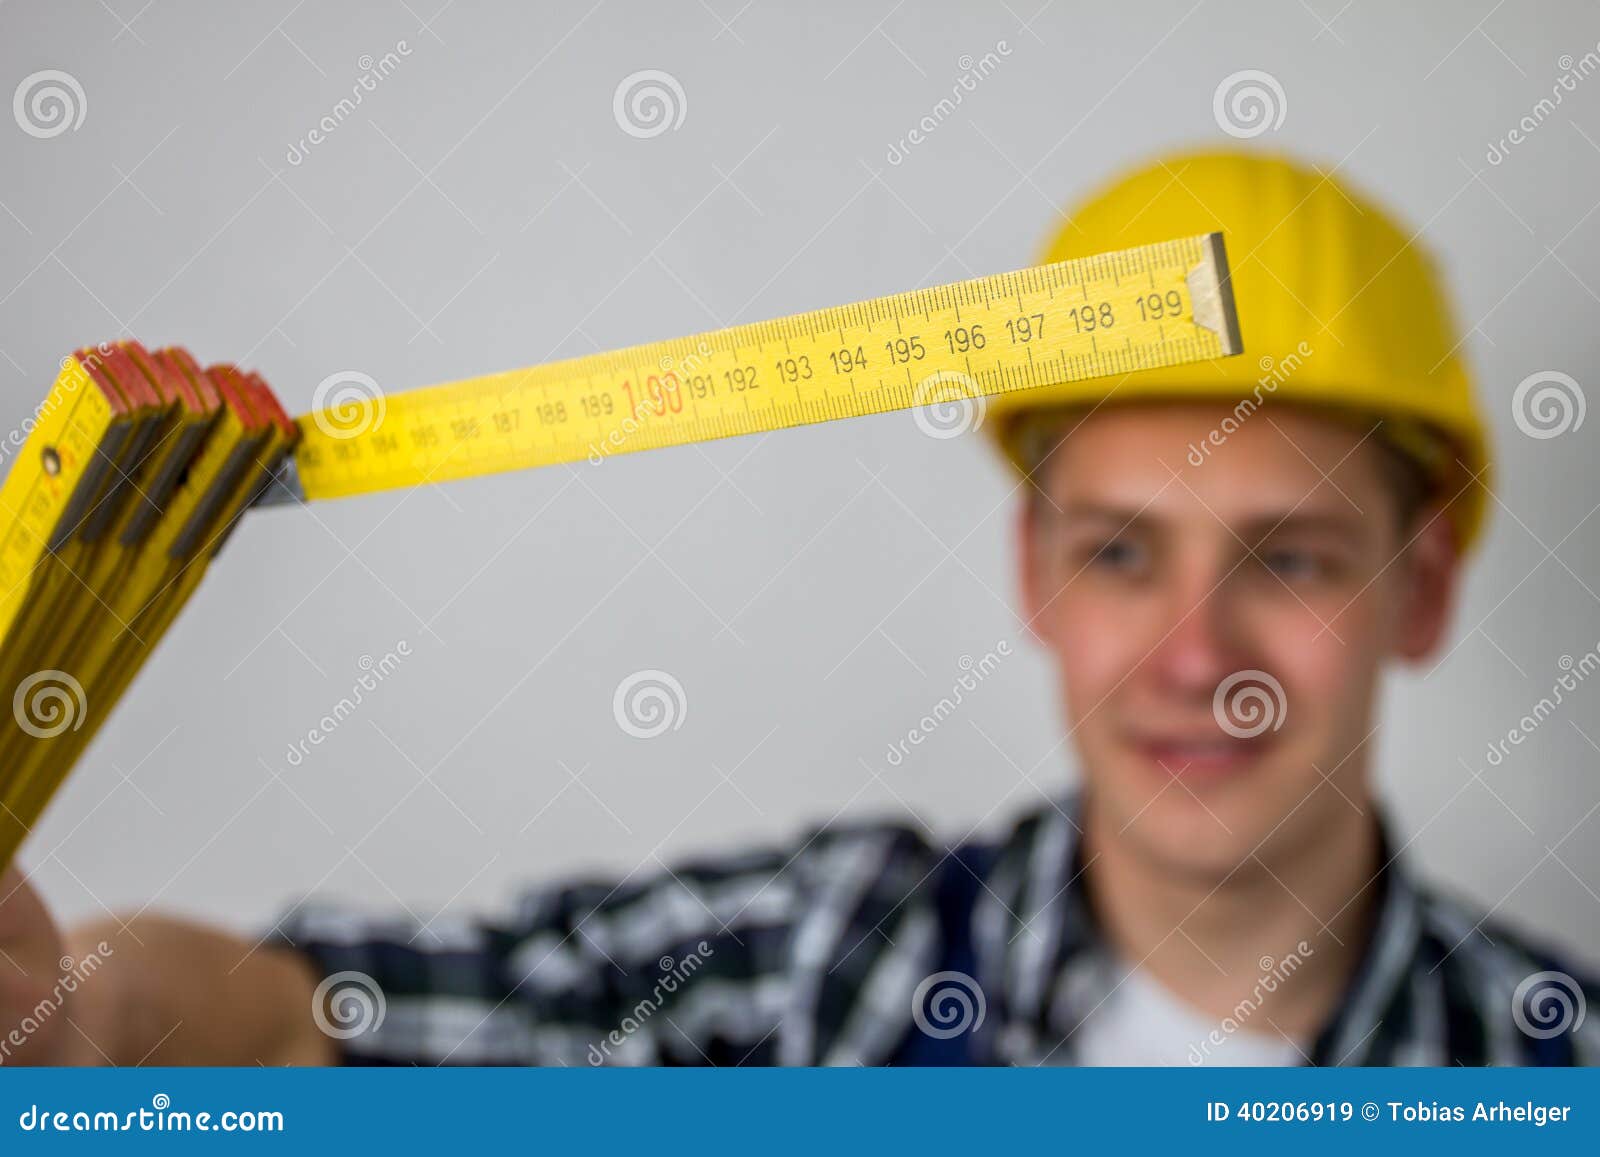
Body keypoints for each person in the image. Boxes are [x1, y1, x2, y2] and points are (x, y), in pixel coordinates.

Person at [3, 150, 1596, 1067]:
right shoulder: (826, 965)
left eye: (1292, 556)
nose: (1198, 652)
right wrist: (72, 1012)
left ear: (1425, 587)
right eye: (1121, 550)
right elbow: (311, 1031)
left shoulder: (1557, 1063)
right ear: (1034, 576)